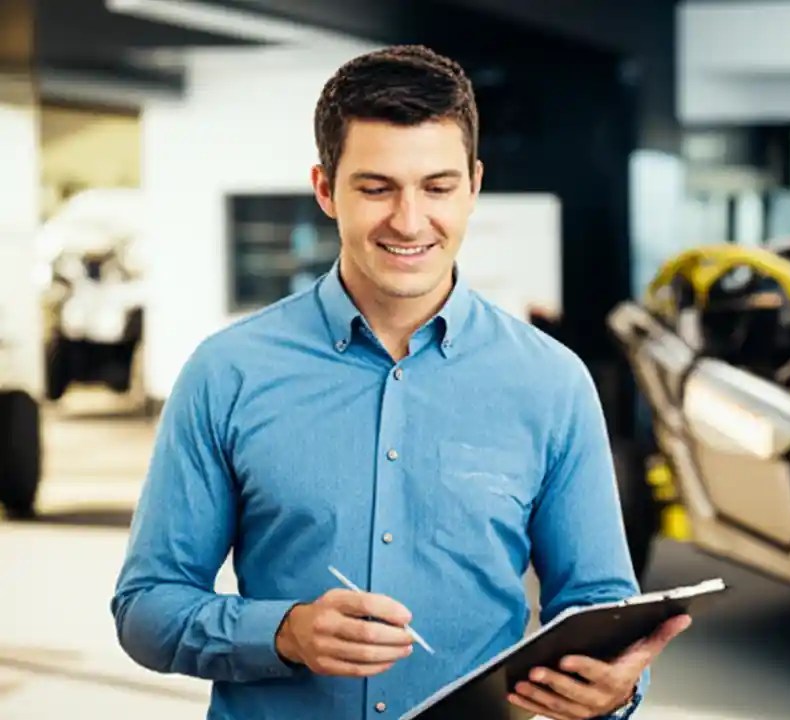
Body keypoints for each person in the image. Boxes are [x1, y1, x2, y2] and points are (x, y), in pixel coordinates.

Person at [111, 44, 689, 720]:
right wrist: (284, 633)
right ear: (326, 190)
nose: (410, 221)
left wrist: (615, 690)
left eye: (437, 187)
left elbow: (597, 605)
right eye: (376, 187)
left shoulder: (551, 383)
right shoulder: (227, 372)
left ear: (473, 185)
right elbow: (146, 607)